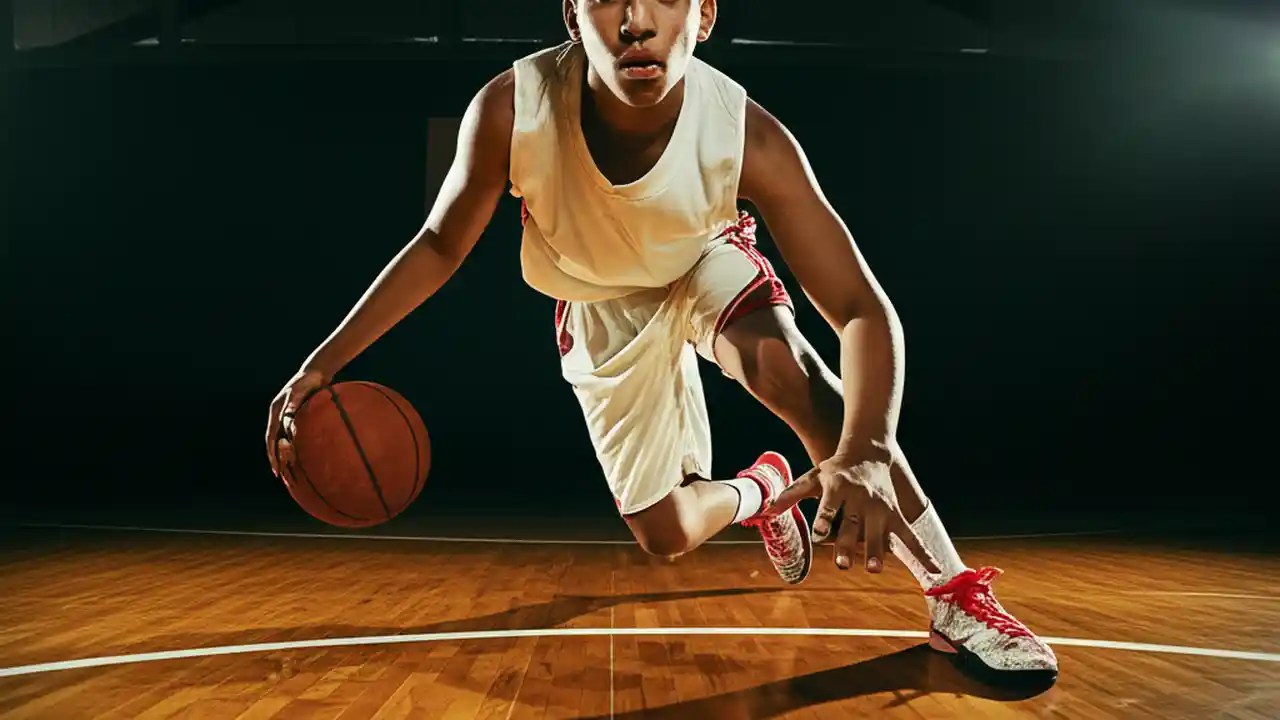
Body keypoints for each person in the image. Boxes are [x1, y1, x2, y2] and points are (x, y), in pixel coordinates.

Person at [265, 0, 1057, 683]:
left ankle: (955, 598)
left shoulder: (748, 133)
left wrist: (871, 445)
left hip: (701, 259)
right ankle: (758, 490)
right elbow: (440, 245)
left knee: (800, 379)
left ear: (704, 15)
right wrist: (319, 365)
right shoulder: (512, 108)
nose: (636, 21)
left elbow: (857, 305)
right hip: (597, 301)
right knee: (666, 534)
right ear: (572, 13)